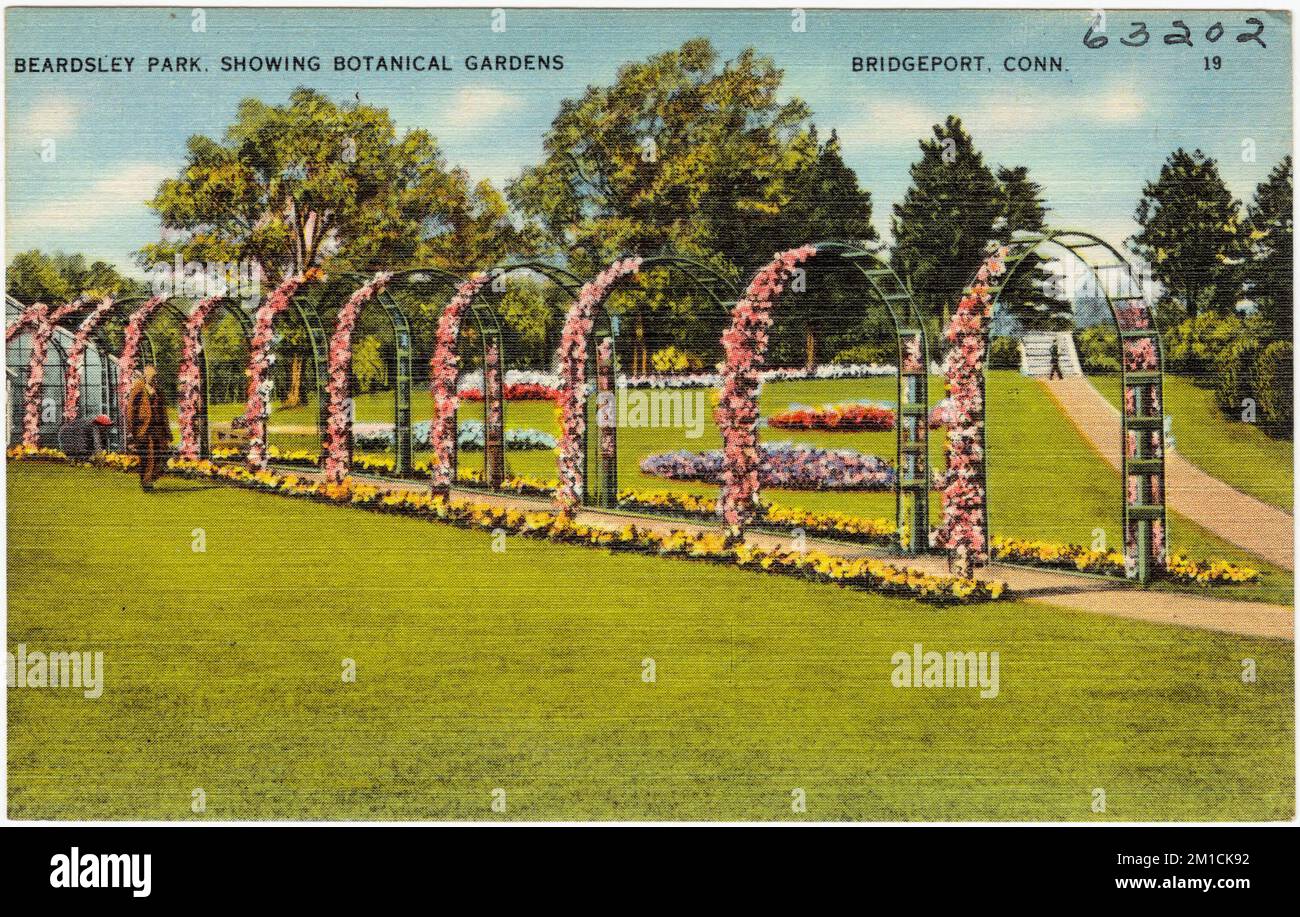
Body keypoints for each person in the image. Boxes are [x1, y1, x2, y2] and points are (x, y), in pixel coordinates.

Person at [127, 365, 171, 490]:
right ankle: (146, 481)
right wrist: (133, 428)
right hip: (143, 427)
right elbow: (131, 408)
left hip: (157, 427)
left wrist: (167, 431)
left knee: (158, 454)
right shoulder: (139, 388)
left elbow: (163, 411)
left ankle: (151, 479)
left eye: (156, 376)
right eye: (152, 376)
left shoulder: (158, 390)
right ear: (146, 376)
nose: (154, 378)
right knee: (147, 455)